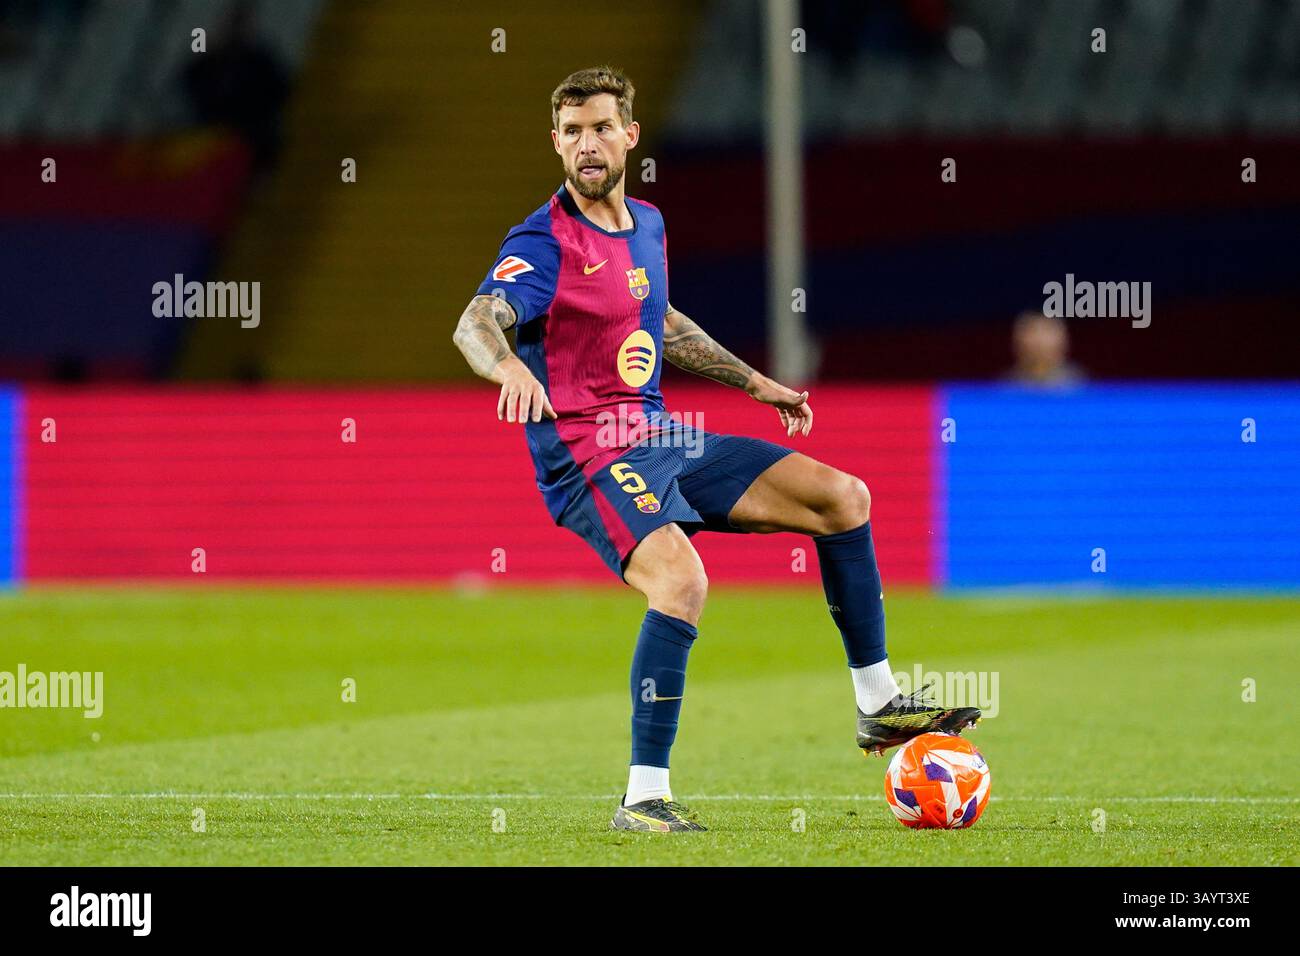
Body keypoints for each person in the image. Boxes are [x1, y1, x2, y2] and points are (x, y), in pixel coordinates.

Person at [451, 67, 979, 833]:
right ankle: (642, 796)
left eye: (600, 127)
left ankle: (877, 704)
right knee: (682, 579)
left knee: (843, 498)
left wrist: (753, 380)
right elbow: (476, 319)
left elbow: (658, 319)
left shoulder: (649, 225)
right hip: (587, 451)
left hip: (660, 435)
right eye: (571, 132)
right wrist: (504, 365)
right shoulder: (544, 239)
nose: (586, 145)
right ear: (556, 144)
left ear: (630, 135)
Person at [1004, 311, 1087, 387]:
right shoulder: (1004, 387)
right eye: (1031, 331)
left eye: (1047, 330)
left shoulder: (1082, 386)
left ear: (1064, 341)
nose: (1039, 341)